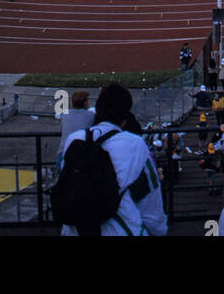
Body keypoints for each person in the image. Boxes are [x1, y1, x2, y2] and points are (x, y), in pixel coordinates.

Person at [58, 83, 167, 236]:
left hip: (75, 229)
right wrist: (159, 231)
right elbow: (150, 202)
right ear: (125, 116)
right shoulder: (134, 144)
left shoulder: (74, 139)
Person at [57, 90, 95, 169]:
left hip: (63, 154)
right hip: (81, 156)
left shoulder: (65, 114)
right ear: (85, 103)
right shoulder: (91, 115)